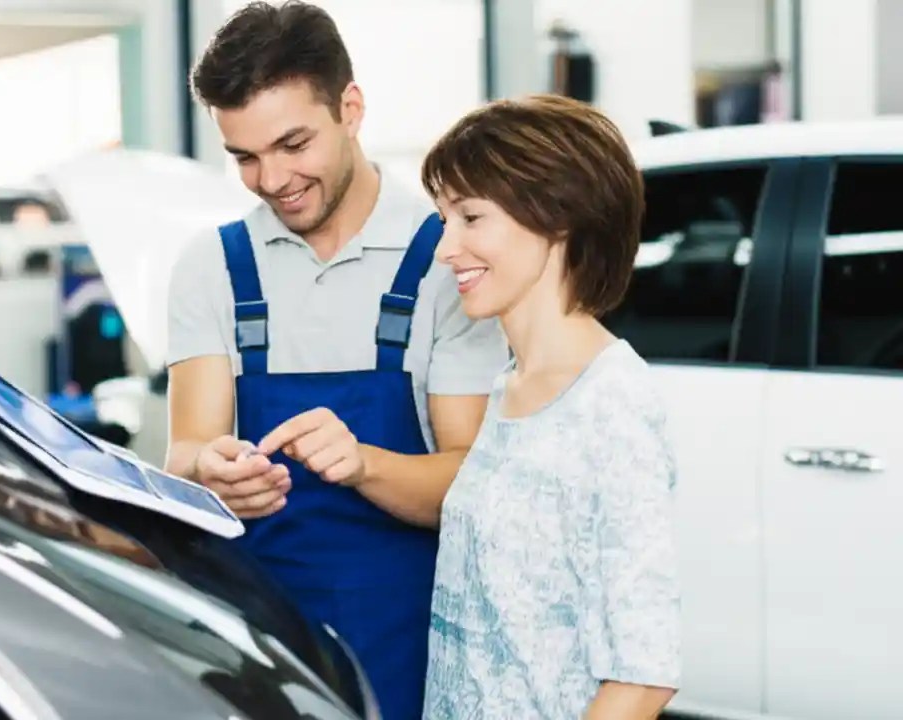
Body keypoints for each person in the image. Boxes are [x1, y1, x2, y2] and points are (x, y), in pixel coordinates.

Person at [163, 2, 508, 718]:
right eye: (245, 157)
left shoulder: (449, 258)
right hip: (259, 643)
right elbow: (185, 454)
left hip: (408, 644)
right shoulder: (212, 266)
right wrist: (210, 474)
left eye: (293, 144)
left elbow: (469, 487)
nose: (272, 179)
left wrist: (363, 464)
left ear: (350, 108)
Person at [420, 94, 682, 719]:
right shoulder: (508, 386)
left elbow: (643, 676)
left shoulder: (612, 402)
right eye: (444, 219)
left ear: (557, 218)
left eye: (471, 217)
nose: (445, 248)